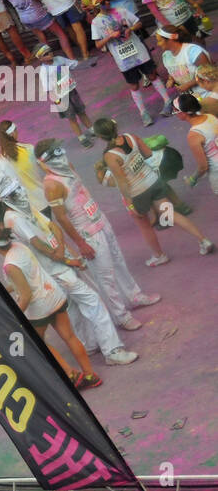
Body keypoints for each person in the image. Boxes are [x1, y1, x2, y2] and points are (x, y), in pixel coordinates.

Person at [0, 177, 137, 367]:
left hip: (58, 268)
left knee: (74, 309)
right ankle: (112, 350)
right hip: (54, 272)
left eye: (19, 189)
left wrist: (64, 250)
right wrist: (66, 258)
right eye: (14, 193)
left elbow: (52, 226)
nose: (20, 194)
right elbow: (39, 245)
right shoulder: (15, 219)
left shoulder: (26, 209)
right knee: (93, 302)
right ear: (5, 199)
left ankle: (88, 344)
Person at [36, 138, 161, 331]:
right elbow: (61, 218)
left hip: (101, 220)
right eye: (57, 152)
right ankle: (121, 317)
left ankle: (134, 296)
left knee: (119, 261)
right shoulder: (52, 186)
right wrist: (80, 243)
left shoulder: (68, 167)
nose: (62, 154)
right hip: (88, 233)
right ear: (47, 160)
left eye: (61, 150)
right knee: (105, 277)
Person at [0, 227, 100, 390]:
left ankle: (71, 375)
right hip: (54, 295)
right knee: (69, 337)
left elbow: (26, 295)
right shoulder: (19, 246)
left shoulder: (9, 266)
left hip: (39, 308)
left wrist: (14, 317)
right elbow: (22, 280)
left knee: (39, 343)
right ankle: (90, 375)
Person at [94, 117, 214, 260]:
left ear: (100, 136)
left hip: (137, 193)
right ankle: (203, 240)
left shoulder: (110, 156)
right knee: (171, 214)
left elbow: (122, 183)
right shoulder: (131, 137)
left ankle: (159, 256)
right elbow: (148, 153)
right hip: (153, 182)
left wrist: (130, 204)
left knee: (145, 226)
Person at [84, 0, 168, 126]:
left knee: (152, 75)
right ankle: (143, 113)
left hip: (139, 51)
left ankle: (167, 101)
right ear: (98, 6)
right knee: (134, 85)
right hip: (123, 59)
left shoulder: (121, 11)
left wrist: (130, 29)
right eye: (103, 2)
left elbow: (138, 22)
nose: (108, 2)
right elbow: (98, 45)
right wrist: (110, 36)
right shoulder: (96, 23)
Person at [1, 0, 76, 61]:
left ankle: (49, 63)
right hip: (37, 13)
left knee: (42, 39)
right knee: (60, 34)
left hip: (24, 18)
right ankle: (72, 58)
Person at [30, 43, 95, 146]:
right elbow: (48, 89)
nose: (50, 54)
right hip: (61, 97)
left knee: (81, 111)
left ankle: (92, 130)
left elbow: (74, 64)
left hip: (72, 91)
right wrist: (58, 102)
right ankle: (81, 138)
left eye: (50, 51)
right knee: (71, 118)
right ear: (40, 58)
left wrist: (87, 63)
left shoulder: (59, 59)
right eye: (45, 54)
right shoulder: (43, 71)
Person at [177, 93, 218, 194]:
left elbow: (203, 166)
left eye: (175, 111)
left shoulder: (194, 135)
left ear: (183, 113)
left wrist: (192, 179)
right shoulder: (210, 116)